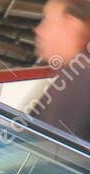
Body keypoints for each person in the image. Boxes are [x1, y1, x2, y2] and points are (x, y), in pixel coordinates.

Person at [32, 0, 90, 142]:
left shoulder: (78, 79)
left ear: (70, 24)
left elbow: (51, 151)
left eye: (47, 20)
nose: (38, 30)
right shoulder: (74, 74)